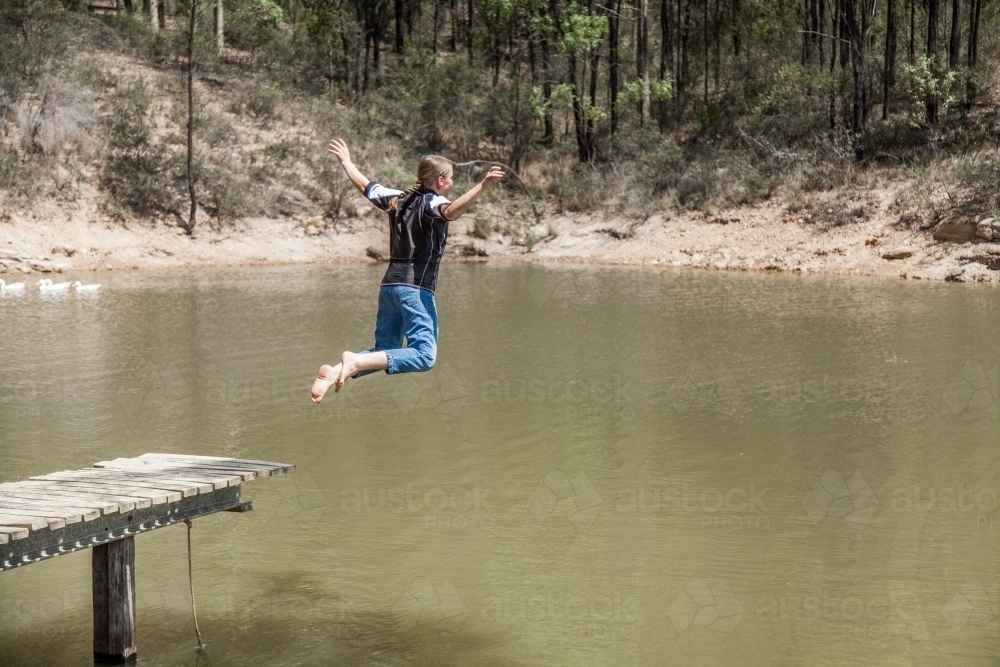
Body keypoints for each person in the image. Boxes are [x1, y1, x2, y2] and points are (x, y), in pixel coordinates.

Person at [311, 138, 505, 403]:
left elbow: (366, 187)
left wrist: (347, 162)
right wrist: (482, 186)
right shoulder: (432, 202)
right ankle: (354, 361)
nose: (451, 183)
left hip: (389, 288)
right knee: (425, 356)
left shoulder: (397, 199)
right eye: (450, 179)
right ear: (439, 181)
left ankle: (333, 373)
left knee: (386, 351)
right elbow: (450, 212)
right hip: (415, 289)